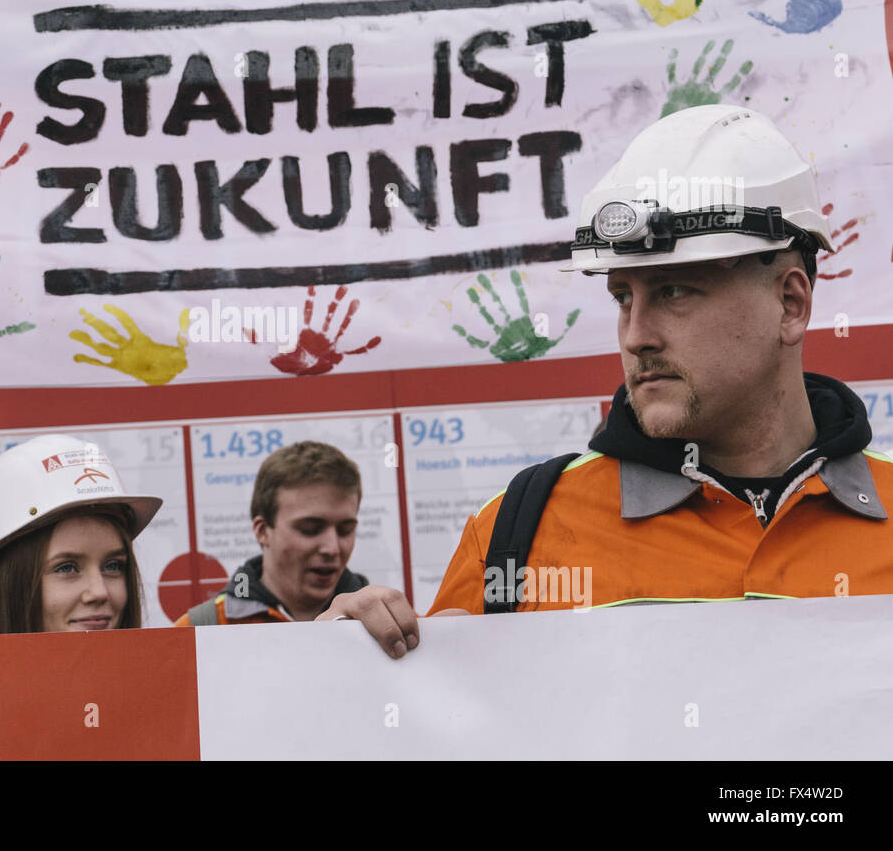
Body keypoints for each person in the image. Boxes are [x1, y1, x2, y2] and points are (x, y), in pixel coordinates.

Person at [321, 104, 893, 657]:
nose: (635, 335)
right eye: (623, 296)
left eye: (675, 291)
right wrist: (337, 674)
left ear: (790, 304)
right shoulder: (517, 531)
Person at [0, 433, 161, 634]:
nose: (99, 592)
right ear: (4, 586)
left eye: (113, 566)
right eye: (66, 568)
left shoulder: (179, 666)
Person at [175, 440, 369, 625]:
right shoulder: (198, 629)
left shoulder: (385, 626)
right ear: (262, 531)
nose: (332, 548)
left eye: (345, 530)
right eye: (310, 529)